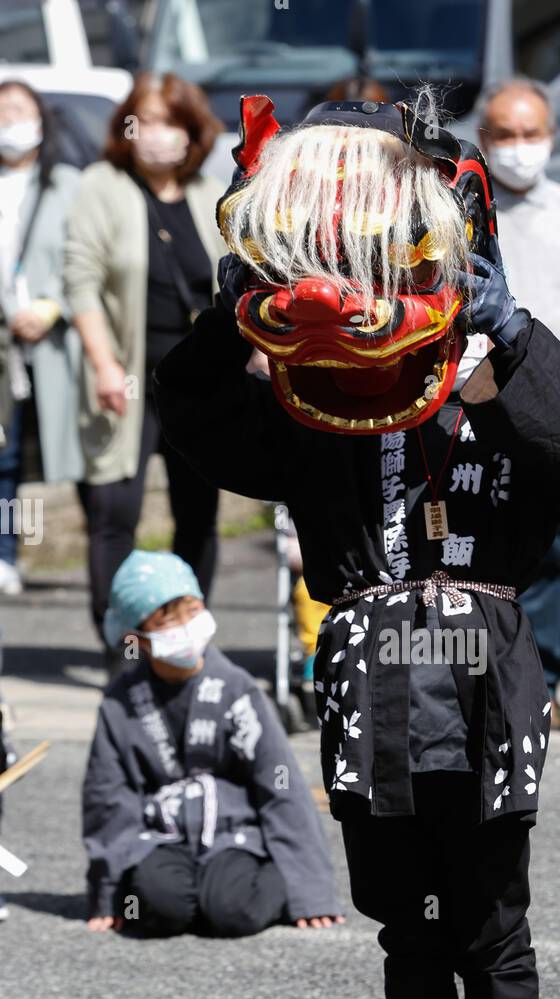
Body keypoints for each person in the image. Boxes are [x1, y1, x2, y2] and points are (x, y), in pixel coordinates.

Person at [154, 92, 560, 999]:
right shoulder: (315, 393)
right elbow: (195, 424)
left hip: (483, 672)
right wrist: (240, 306)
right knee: (407, 923)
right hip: (370, 673)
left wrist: (501, 336)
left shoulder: (496, 371)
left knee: (489, 919)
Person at [83, 549, 344, 935]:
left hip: (235, 834)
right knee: (158, 907)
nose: (186, 626)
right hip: (161, 835)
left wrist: (312, 892)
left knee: (232, 911)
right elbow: (108, 796)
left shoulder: (237, 690)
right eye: (169, 620)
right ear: (135, 638)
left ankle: (268, 878)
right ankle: (179, 891)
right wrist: (107, 892)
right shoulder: (120, 702)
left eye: (192, 610)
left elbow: (280, 784)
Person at [64, 73, 226, 651]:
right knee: (115, 511)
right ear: (127, 128)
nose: (158, 135)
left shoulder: (210, 193)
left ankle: (183, 634)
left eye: (171, 123)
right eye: (146, 122)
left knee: (198, 512)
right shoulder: (101, 186)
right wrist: (105, 365)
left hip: (198, 385)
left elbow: (235, 284)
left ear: (193, 133)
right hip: (126, 380)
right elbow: (79, 281)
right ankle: (123, 644)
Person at [479, 77, 560, 731]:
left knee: (557, 551)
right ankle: (490, 686)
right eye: (506, 135)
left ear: (551, 136)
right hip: (477, 404)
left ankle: (543, 687)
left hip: (555, 410)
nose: (520, 148)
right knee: (485, 548)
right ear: (484, 139)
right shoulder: (463, 207)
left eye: (531, 135)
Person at [0, 80, 83, 595]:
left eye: (19, 109)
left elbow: (83, 257)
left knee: (68, 447)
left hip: (56, 339)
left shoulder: (69, 183)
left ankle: (103, 552)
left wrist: (53, 305)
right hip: (4, 340)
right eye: (1, 110)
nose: (10, 119)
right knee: (5, 453)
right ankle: (6, 555)